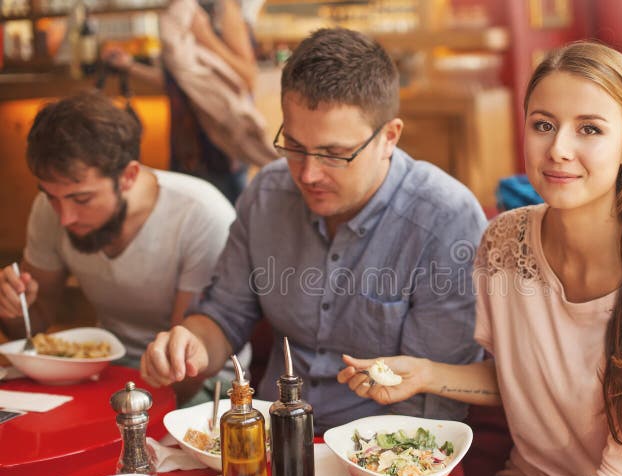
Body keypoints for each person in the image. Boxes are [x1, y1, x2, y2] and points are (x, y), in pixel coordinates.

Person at [339, 41, 622, 476]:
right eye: (543, 124)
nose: (559, 148)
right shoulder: (504, 240)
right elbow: (529, 383)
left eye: (590, 129)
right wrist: (424, 374)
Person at [139, 28, 487, 433]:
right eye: (295, 145)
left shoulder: (445, 219)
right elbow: (224, 316)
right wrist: (191, 344)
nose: (307, 173)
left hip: (383, 452)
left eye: (335, 154)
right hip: (271, 434)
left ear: (389, 137)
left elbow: (431, 408)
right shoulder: (267, 194)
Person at [0, 92, 236, 405]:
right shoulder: (51, 209)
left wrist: (106, 415)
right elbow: (32, 330)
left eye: (82, 200)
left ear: (128, 176)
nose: (65, 217)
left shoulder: (199, 214)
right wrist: (13, 308)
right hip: (106, 376)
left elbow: (187, 367)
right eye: (51, 196)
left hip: (204, 389)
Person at [103, 0, 270, 204]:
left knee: (227, 223)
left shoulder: (221, 10)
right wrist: (130, 66)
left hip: (219, 149)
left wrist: (205, 36)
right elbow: (177, 83)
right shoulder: (177, 16)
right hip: (185, 148)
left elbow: (248, 76)